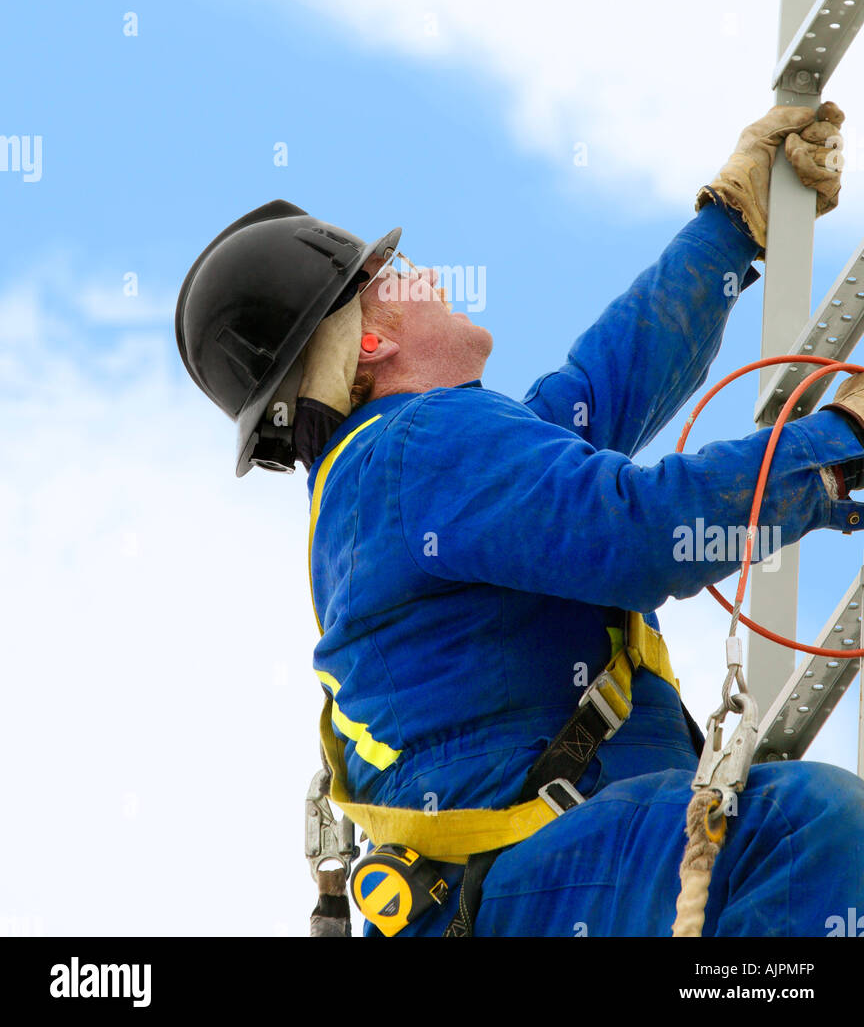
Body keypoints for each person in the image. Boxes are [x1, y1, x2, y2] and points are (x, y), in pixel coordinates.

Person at [176, 101, 864, 938]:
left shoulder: (391, 479)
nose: (422, 273)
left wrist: (731, 226)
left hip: (520, 889)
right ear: (368, 342)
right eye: (393, 270)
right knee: (801, 830)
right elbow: (641, 531)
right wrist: (840, 444)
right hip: (533, 887)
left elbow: (605, 383)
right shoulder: (416, 448)